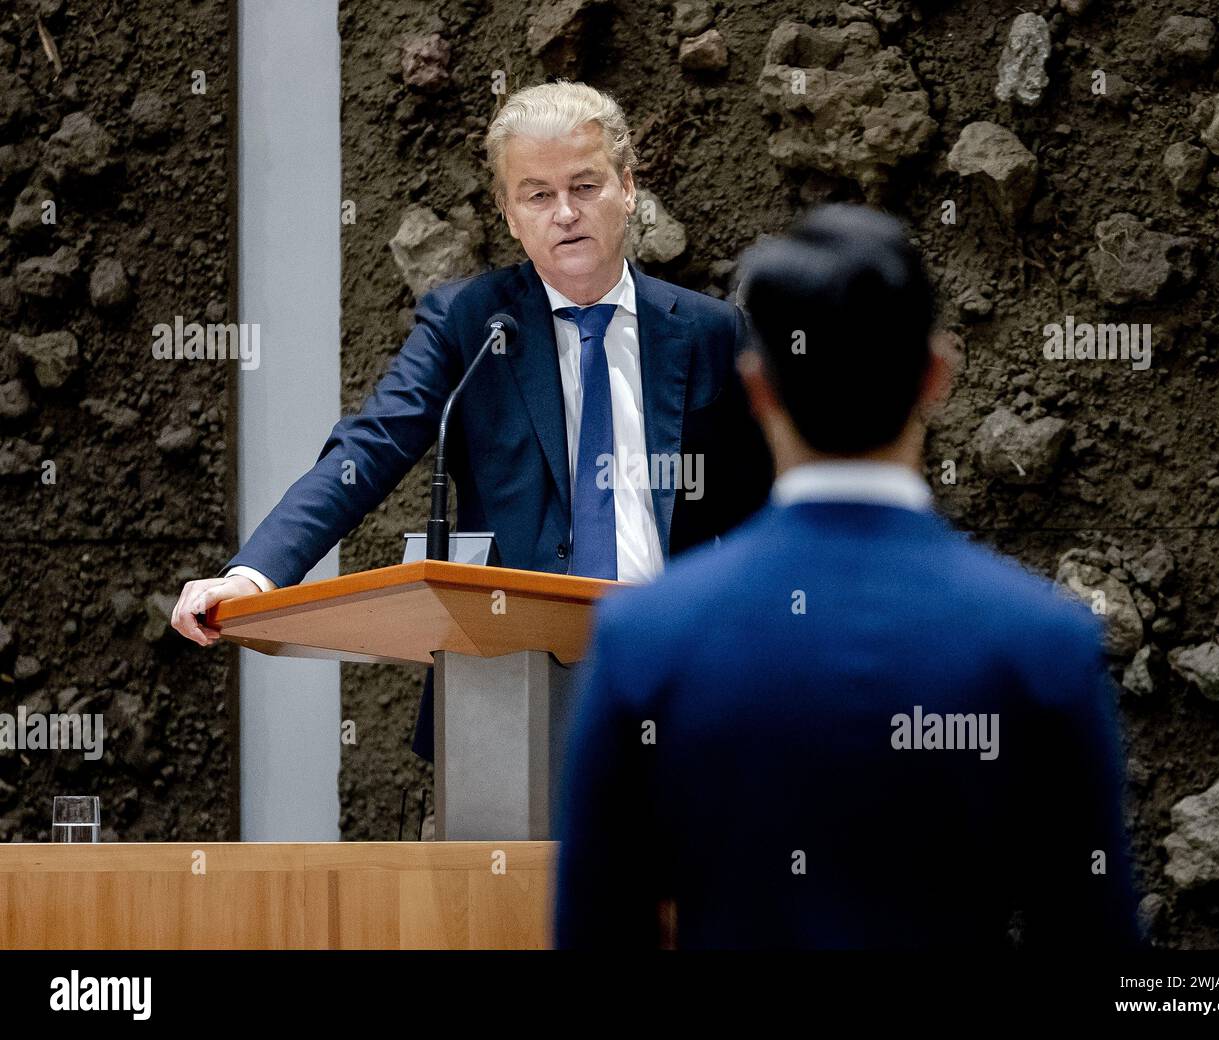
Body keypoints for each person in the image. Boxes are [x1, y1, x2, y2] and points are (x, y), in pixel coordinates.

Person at [553, 203, 1143, 949]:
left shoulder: (645, 639)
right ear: (937, 375)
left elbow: (596, 930)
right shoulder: (1043, 641)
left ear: (757, 386)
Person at [169, 81, 772, 761]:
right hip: (508, 685)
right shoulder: (470, 323)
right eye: (538, 194)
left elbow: (769, 511)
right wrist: (254, 574)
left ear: (627, 188)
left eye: (586, 185)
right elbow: (367, 450)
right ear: (508, 212)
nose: (565, 213)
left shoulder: (711, 332)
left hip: (681, 682)